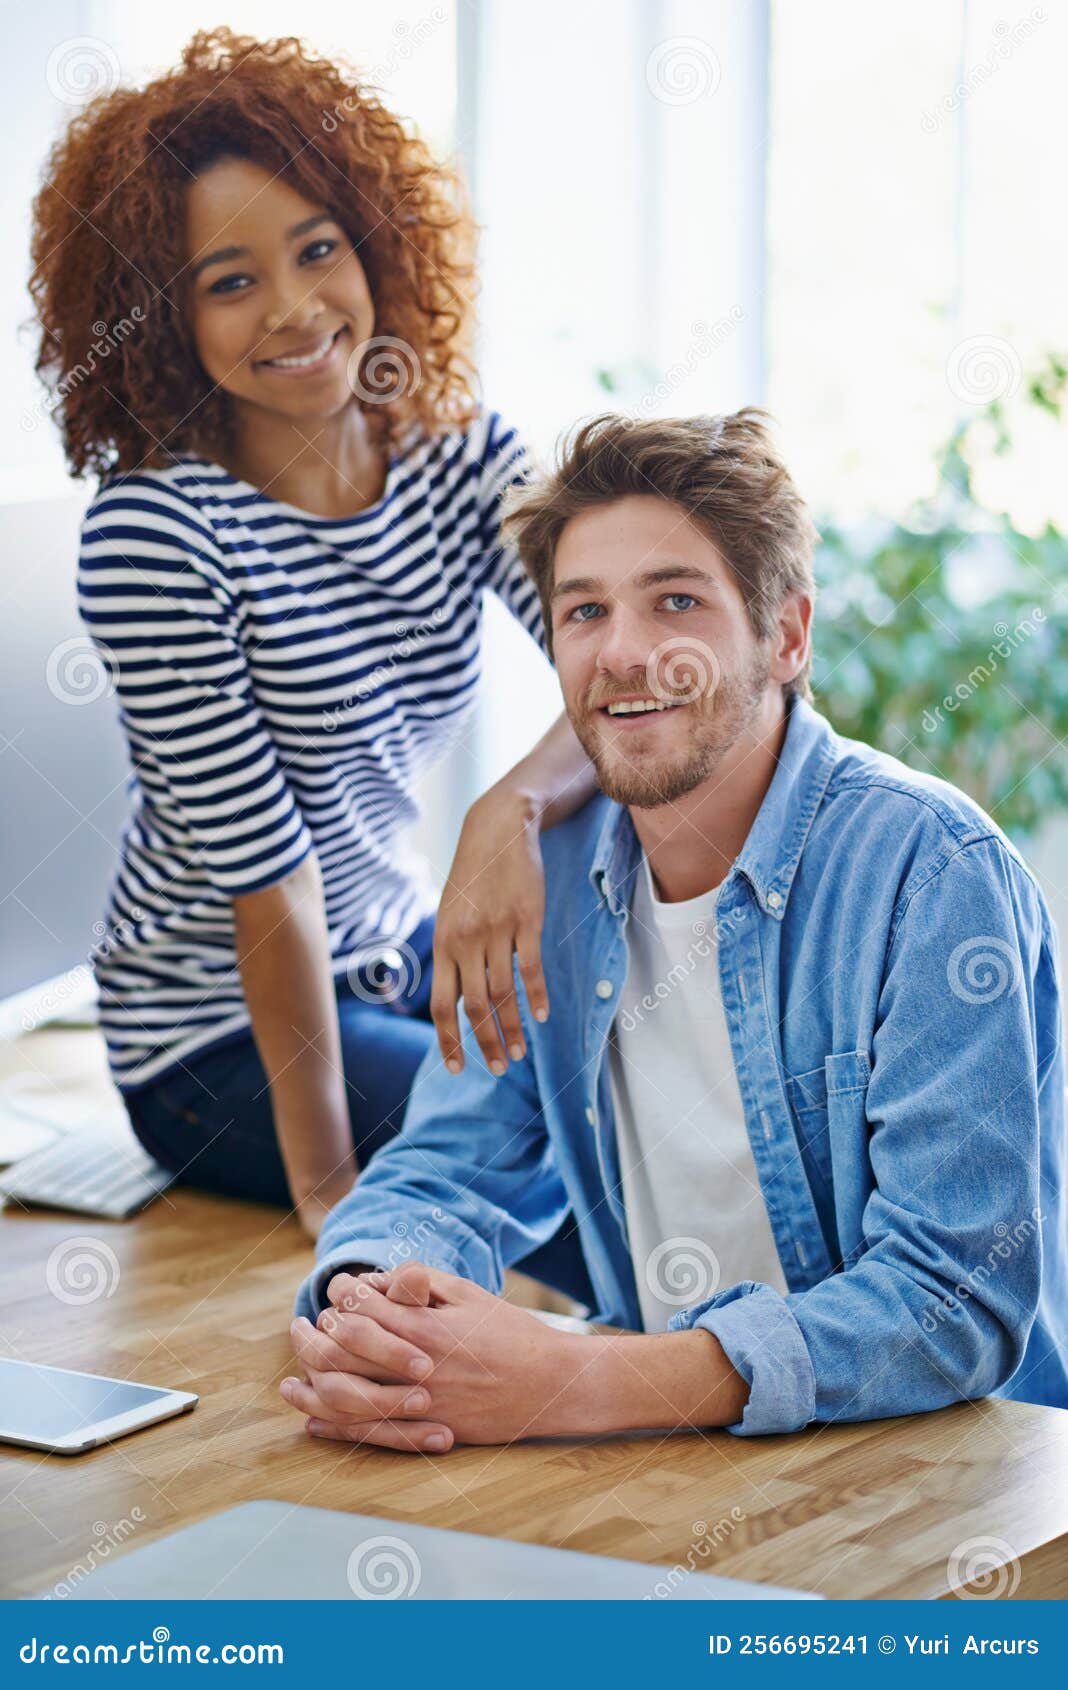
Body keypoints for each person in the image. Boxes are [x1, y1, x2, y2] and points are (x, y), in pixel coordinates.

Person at [285, 407, 1066, 1451]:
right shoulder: (549, 881)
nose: (622, 653)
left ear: (786, 634)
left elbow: (952, 1301)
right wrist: (372, 1312)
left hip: (931, 1484)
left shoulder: (929, 873)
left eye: (676, 601)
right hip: (667, 1463)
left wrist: (571, 1377)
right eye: (584, 612)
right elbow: (446, 1167)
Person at [28, 28, 593, 1244]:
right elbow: (267, 872)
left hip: (393, 949)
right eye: (228, 281)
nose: (293, 309)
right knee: (549, 1128)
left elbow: (610, 670)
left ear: (375, 246)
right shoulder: (158, 534)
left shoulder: (455, 450)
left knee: (659, 1067)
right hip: (218, 1035)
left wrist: (511, 809)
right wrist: (328, 1181)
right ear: (160, 316)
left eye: (318, 250)